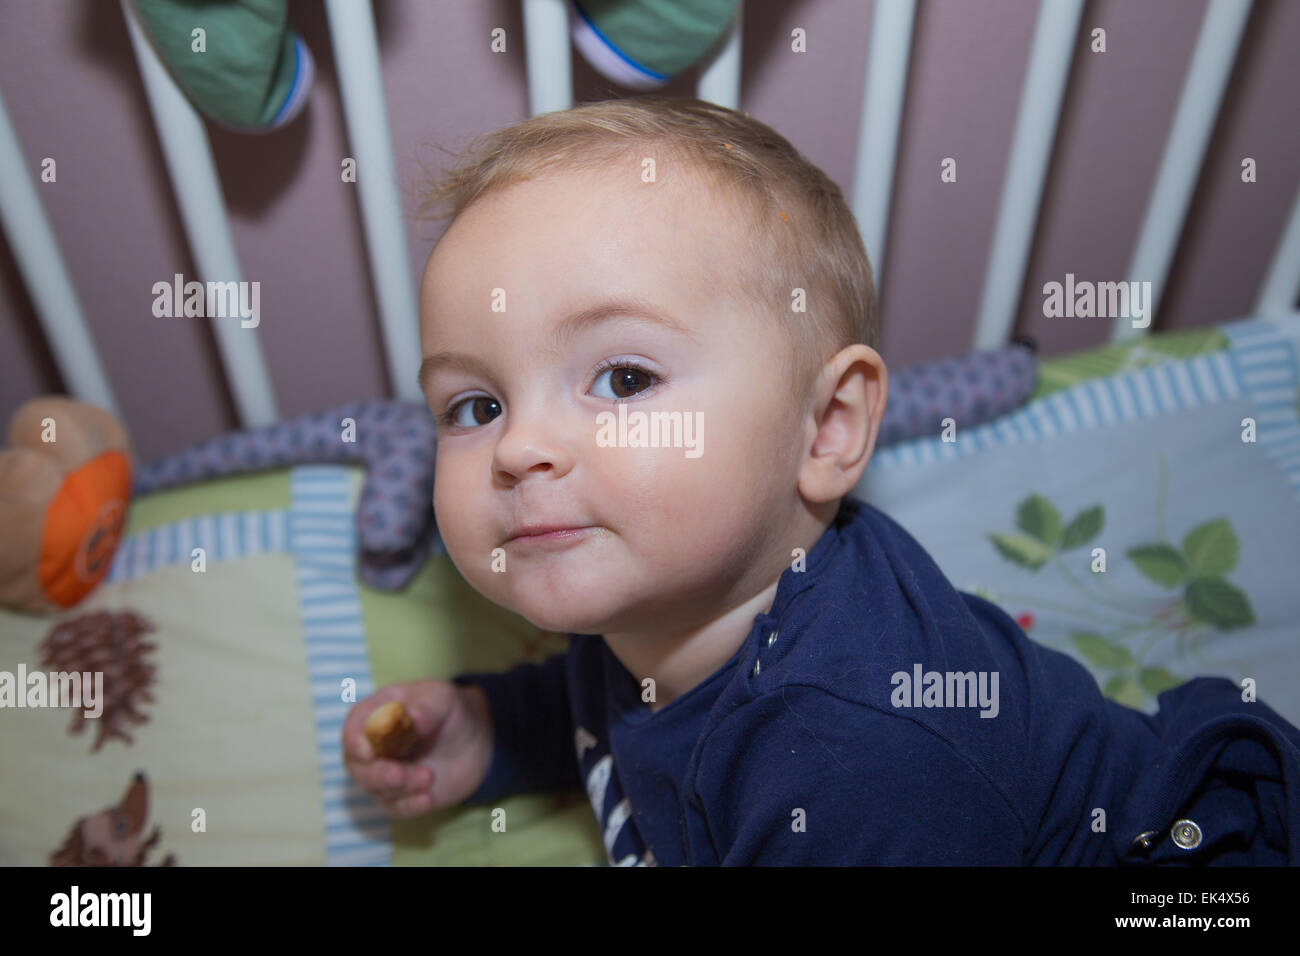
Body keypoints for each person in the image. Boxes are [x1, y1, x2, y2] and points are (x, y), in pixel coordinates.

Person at [342, 97, 1300, 865]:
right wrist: (492, 729)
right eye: (475, 406)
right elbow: (619, 707)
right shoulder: (655, 587)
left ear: (829, 427)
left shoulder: (859, 756)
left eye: (624, 378)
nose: (518, 450)